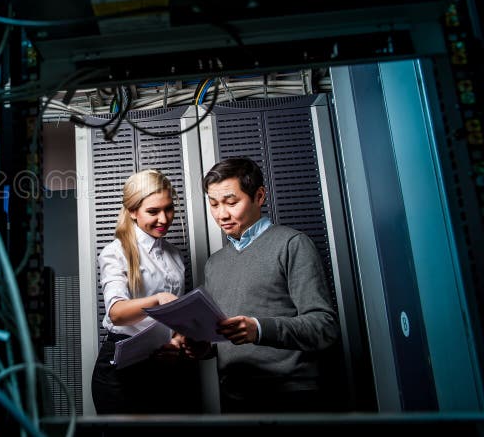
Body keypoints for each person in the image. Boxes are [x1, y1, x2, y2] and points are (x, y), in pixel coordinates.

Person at [197, 156, 340, 414]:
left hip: (291, 396)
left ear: (260, 196)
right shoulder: (214, 264)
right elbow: (221, 339)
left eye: (231, 202)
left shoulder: (292, 244)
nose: (222, 214)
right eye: (214, 204)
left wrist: (259, 329)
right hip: (234, 398)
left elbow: (324, 326)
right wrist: (200, 345)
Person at [90, 169, 201, 414]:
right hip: (122, 371)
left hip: (164, 364)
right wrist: (158, 300)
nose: (164, 219)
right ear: (132, 211)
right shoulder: (115, 252)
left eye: (169, 208)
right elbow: (117, 313)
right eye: (153, 211)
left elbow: (177, 319)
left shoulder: (174, 255)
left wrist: (177, 341)